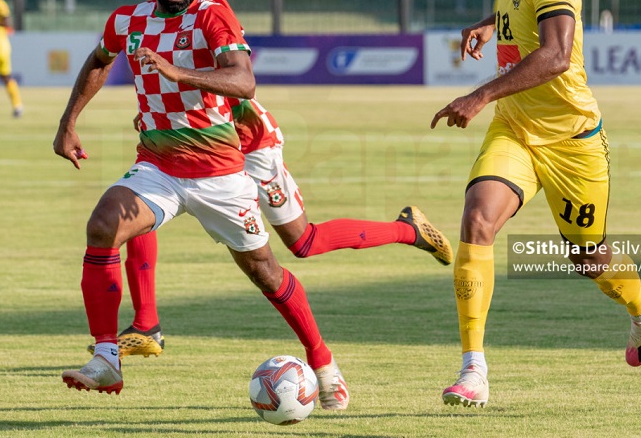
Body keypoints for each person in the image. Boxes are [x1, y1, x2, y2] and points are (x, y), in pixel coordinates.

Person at [52, 0, 346, 407]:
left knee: (267, 272)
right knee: (103, 224)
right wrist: (69, 121)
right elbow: (101, 58)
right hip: (159, 170)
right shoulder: (128, 21)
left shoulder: (213, 11)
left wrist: (175, 71)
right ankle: (107, 359)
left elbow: (244, 80)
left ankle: (323, 360)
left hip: (220, 176)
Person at [430, 0, 641, 408]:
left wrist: (479, 95)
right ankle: (473, 370)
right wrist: (489, 24)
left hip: (572, 142)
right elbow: (522, 15)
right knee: (477, 217)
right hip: (515, 132)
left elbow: (556, 54)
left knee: (588, 258)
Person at [94, 93, 452, 359]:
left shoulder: (207, 17)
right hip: (193, 149)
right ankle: (146, 323)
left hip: (250, 144)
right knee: (139, 201)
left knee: (303, 242)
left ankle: (409, 230)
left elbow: (233, 77)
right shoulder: (156, 22)